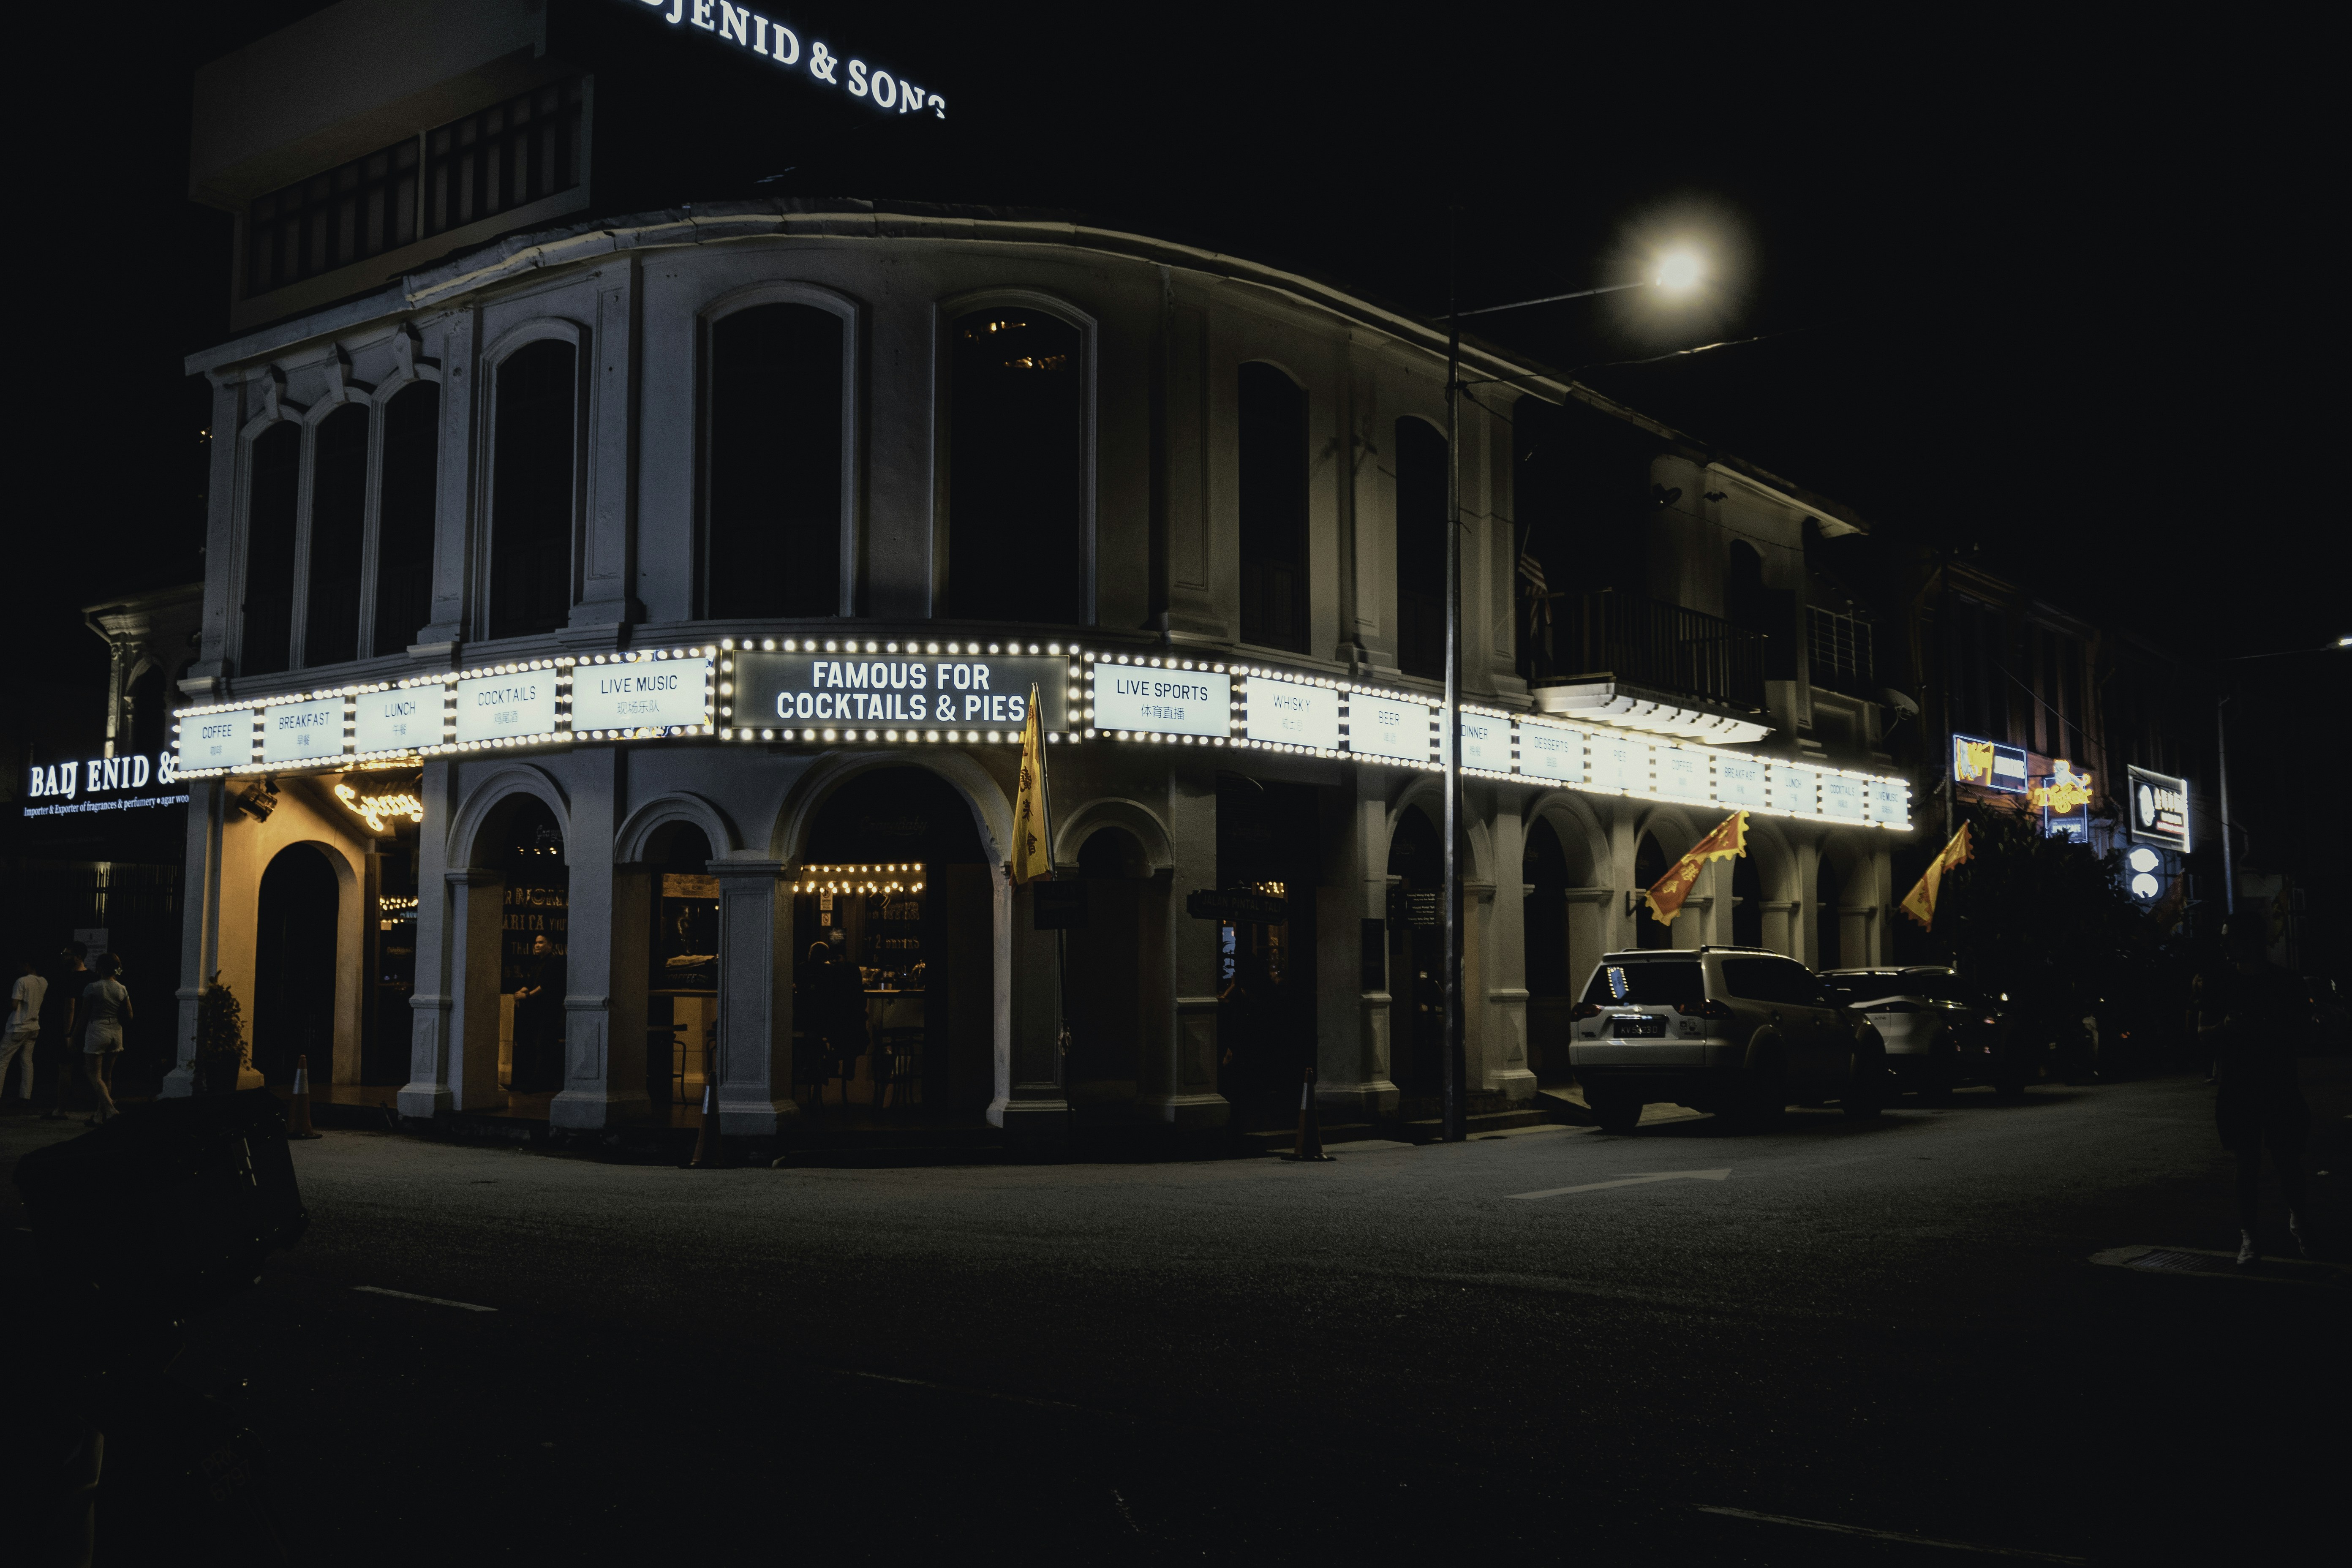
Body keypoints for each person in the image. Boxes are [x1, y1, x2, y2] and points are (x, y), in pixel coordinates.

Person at [2202, 950, 2309, 1266]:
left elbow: (2304, 1030)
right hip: (2242, 1084)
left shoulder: (2284, 981)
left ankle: (2297, 1221)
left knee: (2285, 1159)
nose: (2226, 944)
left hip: (2276, 1082)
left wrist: (2270, 1028)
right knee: (2248, 1162)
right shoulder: (2221, 982)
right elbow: (2200, 1032)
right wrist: (2225, 1026)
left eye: (2230, 936)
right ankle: (2251, 1236)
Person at [76, 953, 132, 1126]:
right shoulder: (122, 988)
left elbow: (84, 1015)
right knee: (107, 1076)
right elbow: (130, 1015)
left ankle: (111, 1109)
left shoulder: (92, 988)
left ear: (99, 968)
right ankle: (99, 1116)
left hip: (98, 1030)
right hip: (116, 1031)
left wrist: (73, 1035)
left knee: (93, 1074)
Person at [40, 947, 88, 1120]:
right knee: (91, 1068)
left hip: (73, 1029)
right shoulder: (91, 977)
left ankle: (61, 1109)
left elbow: (70, 1007)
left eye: (67, 954)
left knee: (66, 1068)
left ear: (78, 957)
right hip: (88, 1027)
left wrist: (68, 1034)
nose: (64, 957)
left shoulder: (68, 978)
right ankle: (103, 1106)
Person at [1, 955, 46, 1110]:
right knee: (27, 1061)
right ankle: (25, 1097)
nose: (19, 968)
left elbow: (15, 1005)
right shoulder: (44, 981)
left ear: (27, 965)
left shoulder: (22, 981)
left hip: (18, 1026)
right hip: (34, 1026)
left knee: (2, 1061)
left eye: (20, 965)